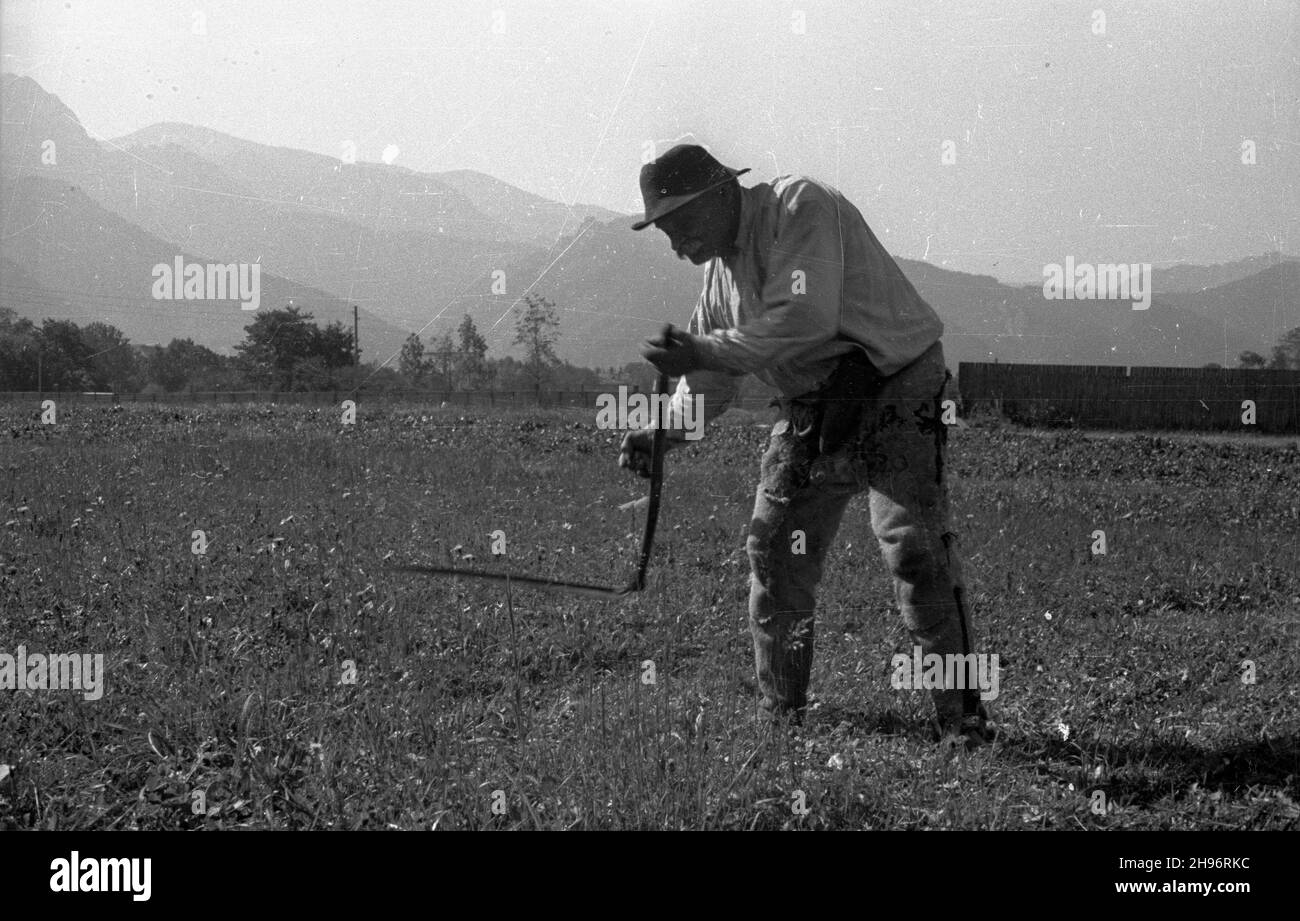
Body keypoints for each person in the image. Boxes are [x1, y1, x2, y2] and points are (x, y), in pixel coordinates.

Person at [618, 144, 992, 749]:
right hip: (814, 404)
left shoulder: (800, 205)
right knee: (775, 550)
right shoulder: (719, 280)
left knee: (913, 546)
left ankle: (963, 721)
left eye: (679, 223)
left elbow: (804, 320)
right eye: (663, 231)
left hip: (895, 382)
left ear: (721, 194)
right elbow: (709, 382)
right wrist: (665, 432)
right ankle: (780, 717)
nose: (675, 244)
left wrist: (705, 350)